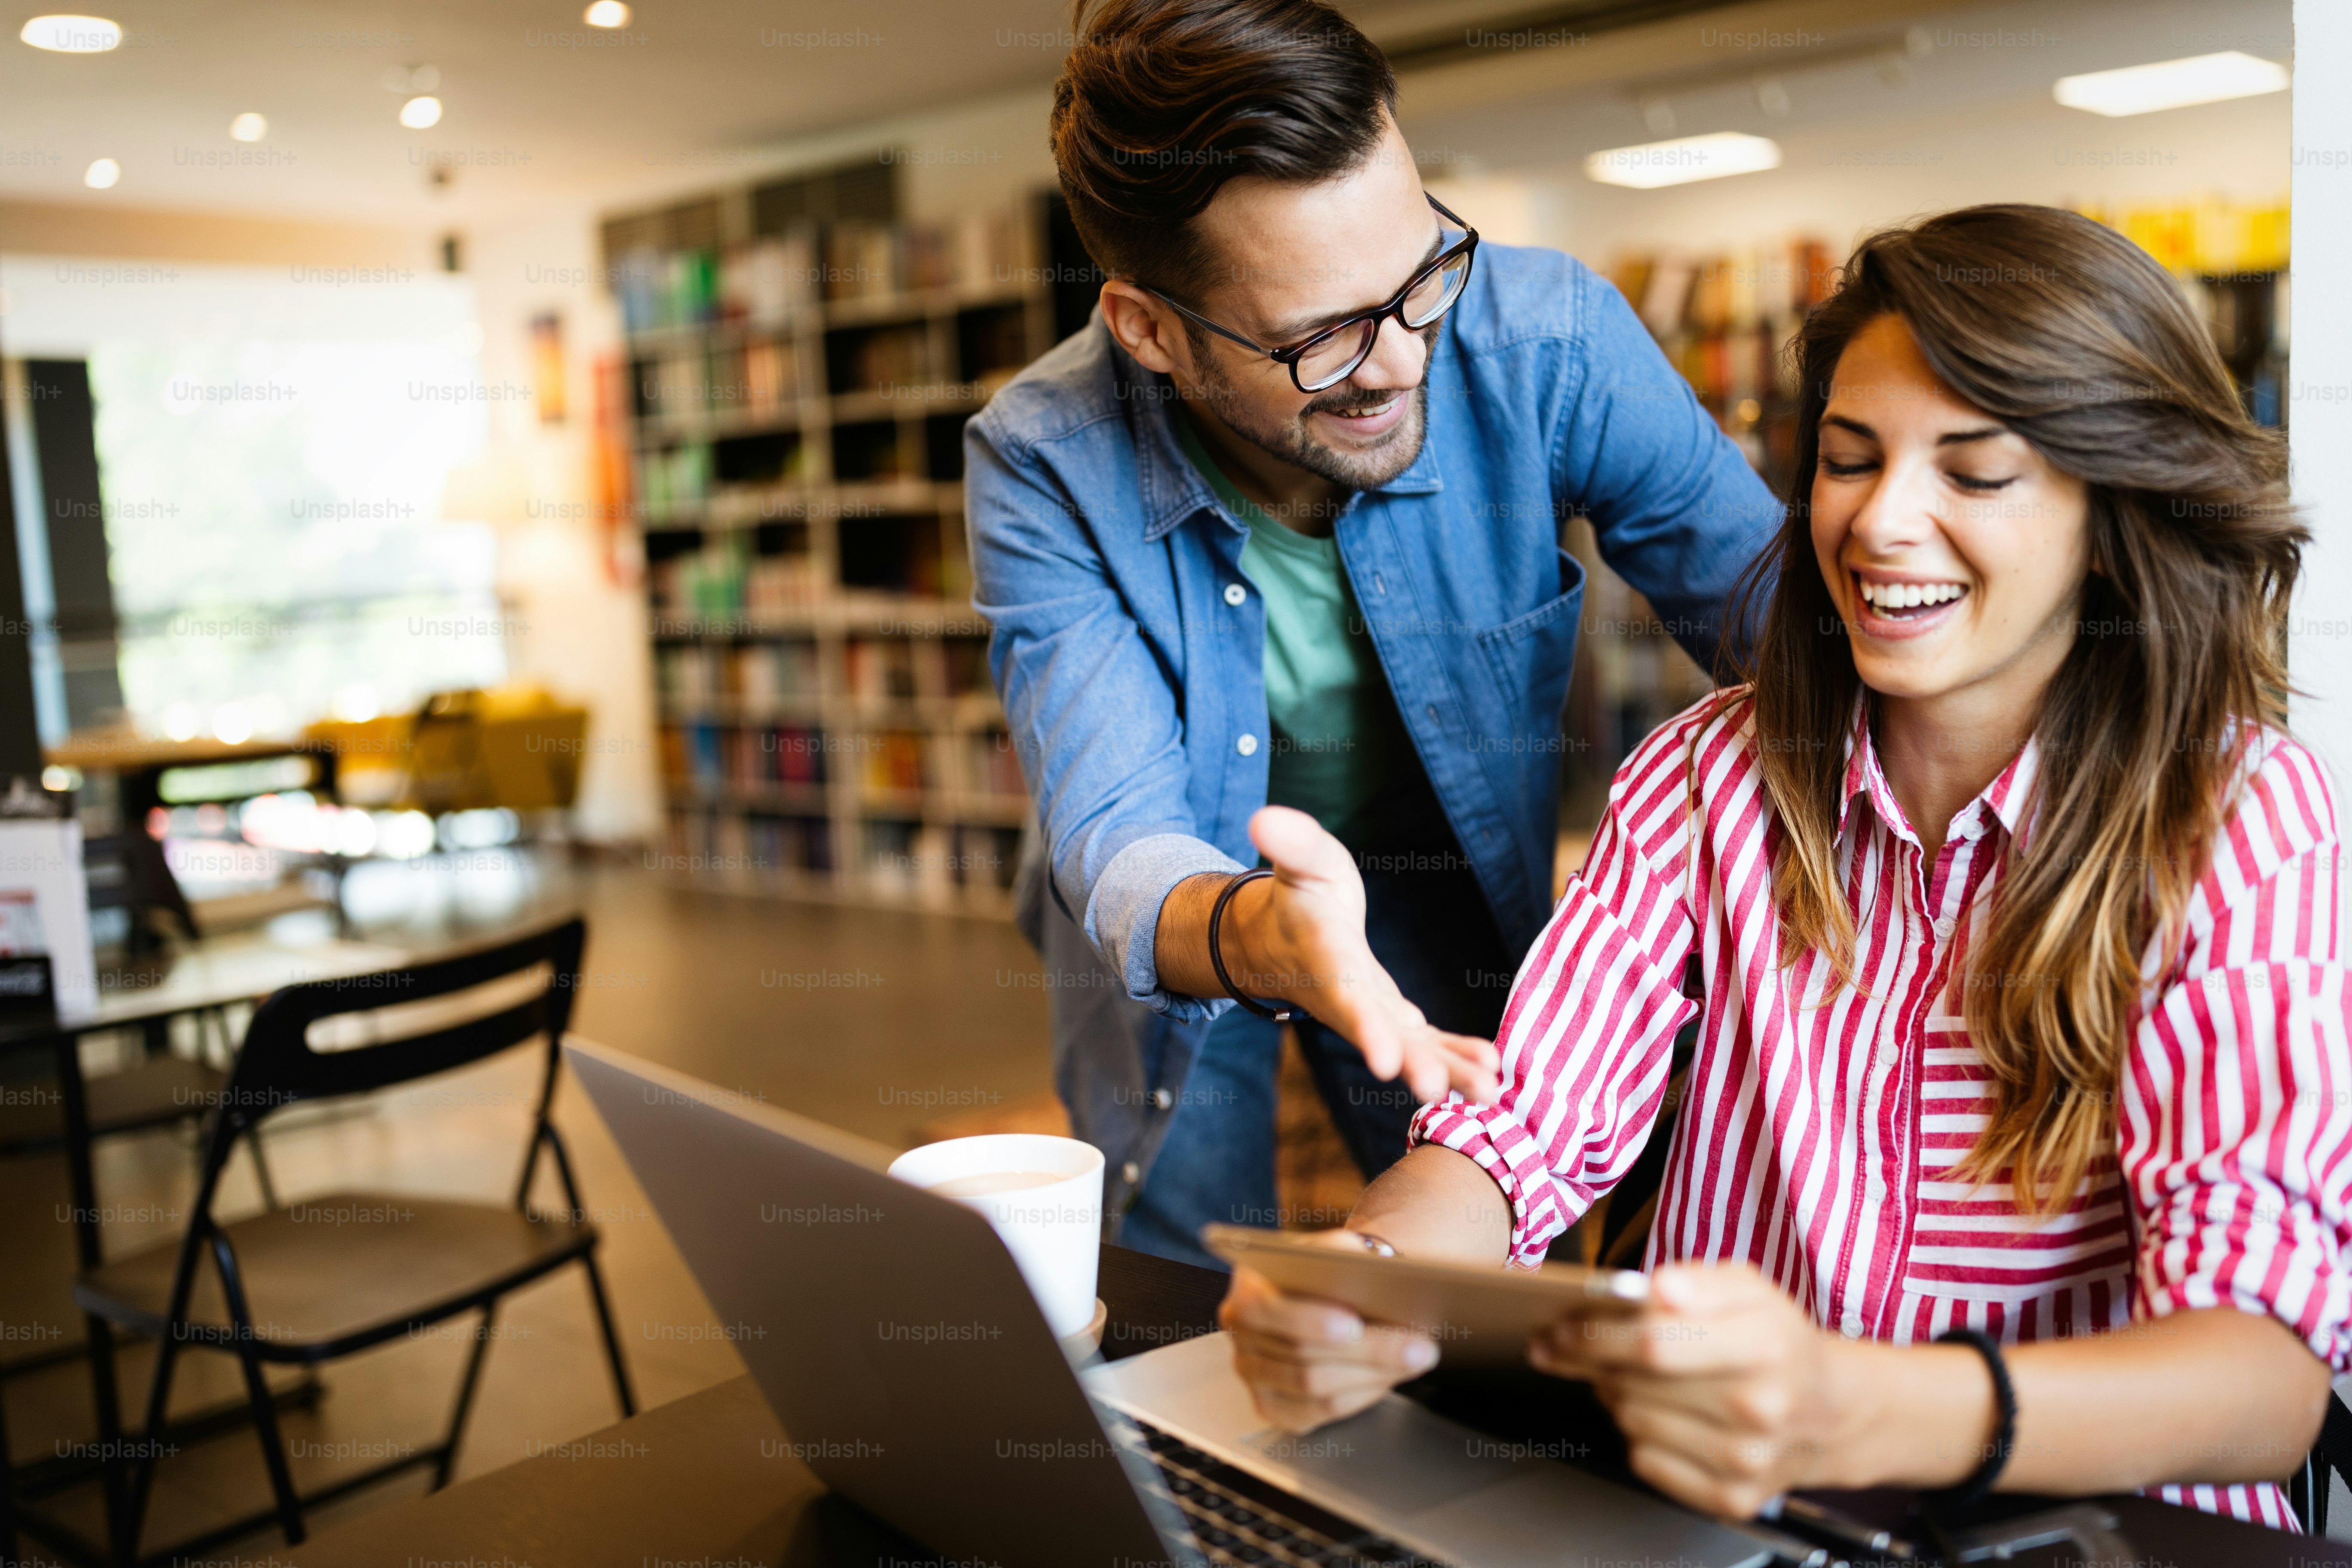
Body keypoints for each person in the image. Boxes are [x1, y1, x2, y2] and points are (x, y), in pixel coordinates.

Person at [1219, 202, 2352, 1531]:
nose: (1882, 525)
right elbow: (1517, 1134)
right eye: (1849, 461)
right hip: (1725, 1525)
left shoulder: (2238, 818)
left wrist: (1854, 1407)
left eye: (1975, 476)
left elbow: (2263, 1376)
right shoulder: (1705, 780)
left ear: (2113, 514)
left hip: (2102, 1539)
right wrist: (1365, 1280)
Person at [968, 0, 1778, 1268]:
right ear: (1149, 330)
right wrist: (1267, 938)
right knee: (1173, 1258)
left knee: (1482, 1228)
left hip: (1432, 859)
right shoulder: (1044, 456)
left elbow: (1789, 634)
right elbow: (1120, 839)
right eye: (1322, 336)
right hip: (1195, 904)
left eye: (1419, 279)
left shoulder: (1547, 339)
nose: (1402, 363)